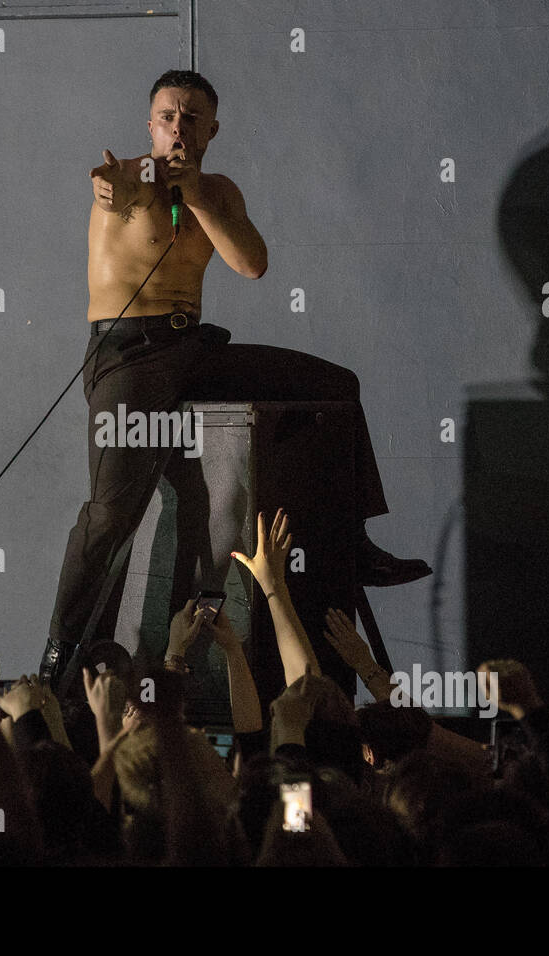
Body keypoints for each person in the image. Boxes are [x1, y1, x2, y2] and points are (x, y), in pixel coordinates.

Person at [41, 69, 430, 685]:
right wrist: (111, 184)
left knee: (336, 385)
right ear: (150, 123)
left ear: (212, 129)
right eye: (167, 115)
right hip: (130, 355)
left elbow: (252, 264)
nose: (177, 127)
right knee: (111, 513)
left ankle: (355, 544)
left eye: (191, 118)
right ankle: (59, 655)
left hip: (192, 351)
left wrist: (194, 191)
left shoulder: (218, 192)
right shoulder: (137, 176)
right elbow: (111, 186)